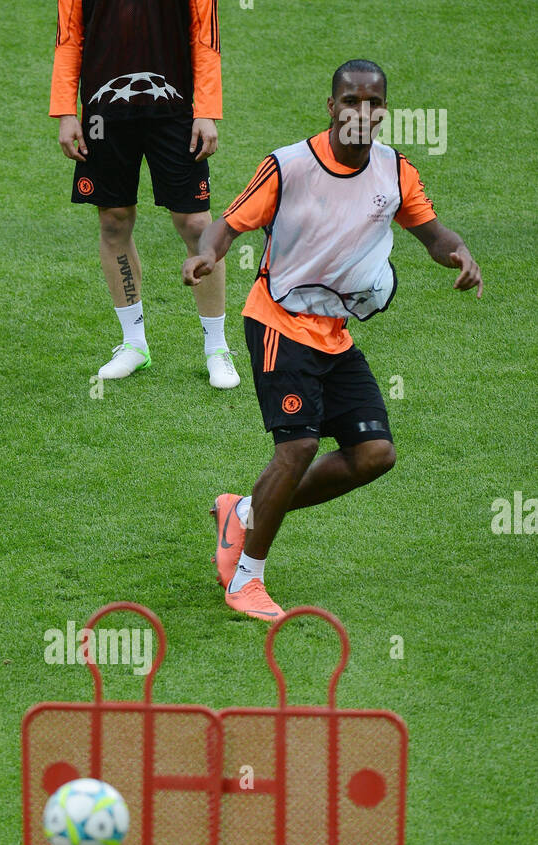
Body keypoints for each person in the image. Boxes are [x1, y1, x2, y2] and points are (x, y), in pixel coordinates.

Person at [183, 60, 483, 619]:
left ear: (383, 112)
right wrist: (206, 254)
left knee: (374, 454)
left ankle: (243, 511)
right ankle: (246, 579)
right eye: (351, 101)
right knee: (296, 448)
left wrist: (458, 254)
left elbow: (434, 234)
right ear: (332, 106)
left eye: (372, 104)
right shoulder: (290, 166)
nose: (361, 114)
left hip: (334, 335)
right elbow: (227, 225)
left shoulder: (396, 174)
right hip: (278, 321)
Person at [51, 0, 239, 389]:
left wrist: (206, 110)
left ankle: (217, 348)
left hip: (175, 111)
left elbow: (205, 36)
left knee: (195, 223)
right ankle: (134, 343)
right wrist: (66, 111)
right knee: (113, 221)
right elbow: (70, 37)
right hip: (104, 112)